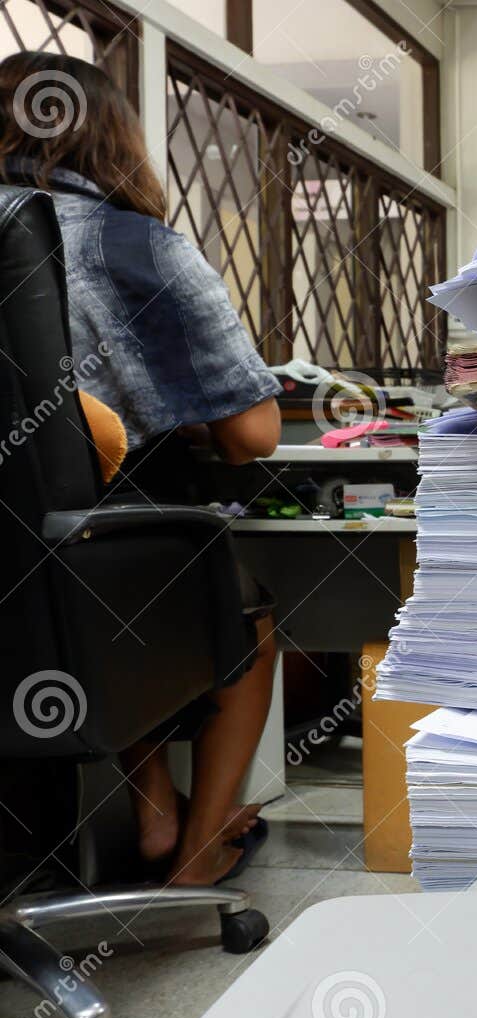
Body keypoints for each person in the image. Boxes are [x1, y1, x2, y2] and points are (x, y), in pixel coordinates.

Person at [0, 51, 283, 886]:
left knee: (91, 573)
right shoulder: (134, 246)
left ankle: (154, 804)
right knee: (235, 614)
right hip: (75, 567)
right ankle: (195, 855)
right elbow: (255, 436)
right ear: (114, 142)